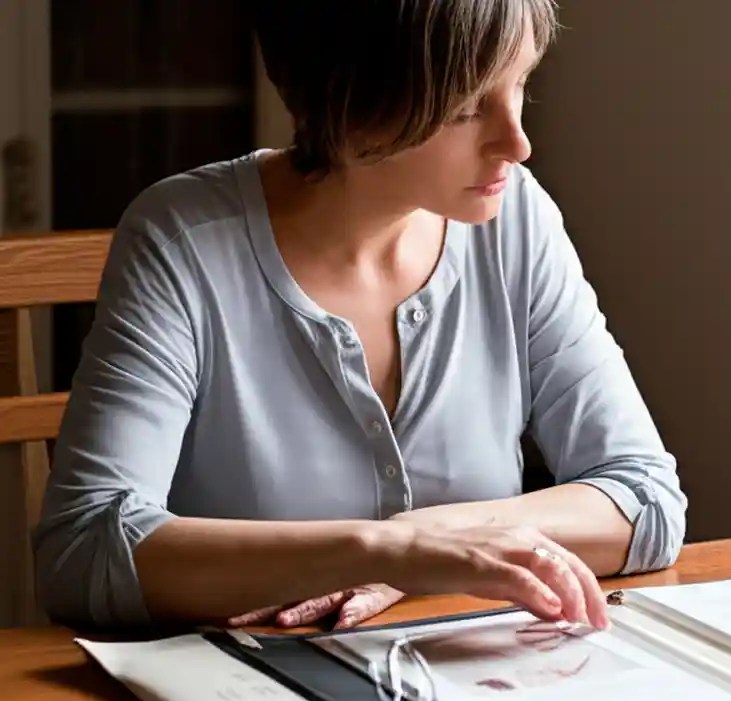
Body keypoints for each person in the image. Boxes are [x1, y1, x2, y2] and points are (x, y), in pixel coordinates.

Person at [31, 0, 686, 632]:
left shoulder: (516, 220)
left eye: (521, 85)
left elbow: (645, 500)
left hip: (472, 671)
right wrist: (382, 553)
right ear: (349, 102)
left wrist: (418, 543)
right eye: (465, 108)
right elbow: (85, 552)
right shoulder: (185, 240)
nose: (517, 144)